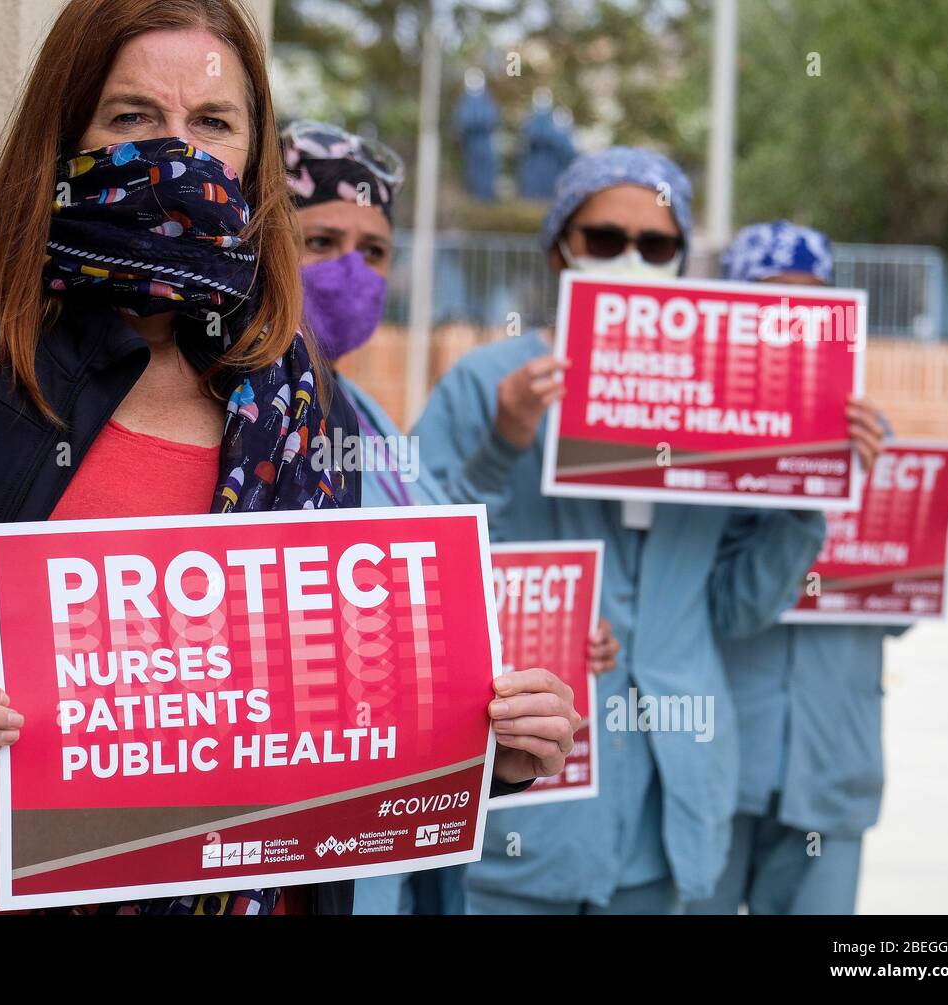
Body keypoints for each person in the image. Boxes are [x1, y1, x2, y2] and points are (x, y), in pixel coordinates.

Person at [0, 0, 579, 918]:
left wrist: (490, 749)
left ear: (255, 157)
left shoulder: (301, 399)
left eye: (212, 123)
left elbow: (341, 711)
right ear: (64, 139)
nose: (177, 156)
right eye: (132, 117)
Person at [414, 147, 882, 915]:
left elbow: (733, 608)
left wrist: (807, 491)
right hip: (522, 823)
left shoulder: (715, 405)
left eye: (656, 244)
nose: (631, 258)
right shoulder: (484, 384)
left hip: (672, 821)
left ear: (680, 258)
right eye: (605, 239)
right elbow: (417, 578)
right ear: (559, 247)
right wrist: (502, 444)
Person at [280, 120, 620, 914]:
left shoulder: (364, 415)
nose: (351, 270)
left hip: (396, 852)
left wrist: (552, 638)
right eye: (321, 241)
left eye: (373, 250)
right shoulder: (241, 420)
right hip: (311, 852)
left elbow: (442, 587)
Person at [685, 221, 948, 914]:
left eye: (813, 301)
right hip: (721, 769)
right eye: (772, 300)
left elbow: (877, 617)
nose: (793, 321)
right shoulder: (697, 452)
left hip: (831, 770)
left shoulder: (868, 438)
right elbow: (722, 606)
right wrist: (800, 504)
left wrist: (930, 561)